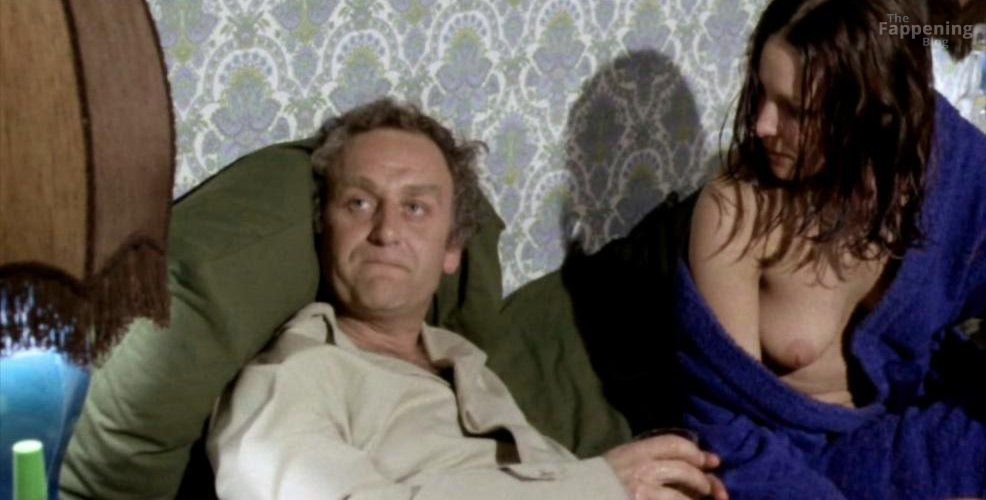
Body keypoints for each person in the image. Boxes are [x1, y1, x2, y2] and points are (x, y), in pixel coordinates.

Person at [207, 98, 728, 500]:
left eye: (415, 207)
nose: (386, 231)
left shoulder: (464, 363)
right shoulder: (291, 378)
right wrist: (599, 484)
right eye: (359, 203)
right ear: (325, 229)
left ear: (452, 248)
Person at [680, 0, 986, 497]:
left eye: (796, 111)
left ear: (873, 113)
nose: (762, 126)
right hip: (802, 456)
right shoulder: (734, 213)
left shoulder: (940, 162)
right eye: (761, 93)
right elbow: (727, 425)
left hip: (917, 418)